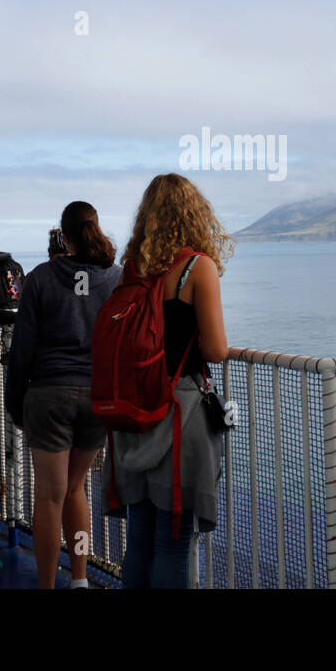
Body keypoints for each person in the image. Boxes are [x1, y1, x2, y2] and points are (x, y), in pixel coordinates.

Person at [105, 173, 231, 589]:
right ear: (196, 215)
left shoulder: (134, 269)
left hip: (134, 414)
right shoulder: (199, 267)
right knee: (175, 541)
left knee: (140, 538)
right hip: (180, 413)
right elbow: (214, 350)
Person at [11, 201, 121, 589]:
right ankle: (78, 580)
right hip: (97, 396)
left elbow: (22, 347)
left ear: (63, 234)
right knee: (77, 489)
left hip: (47, 395)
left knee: (49, 496)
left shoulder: (40, 278)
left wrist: (15, 404)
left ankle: (46, 584)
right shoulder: (115, 278)